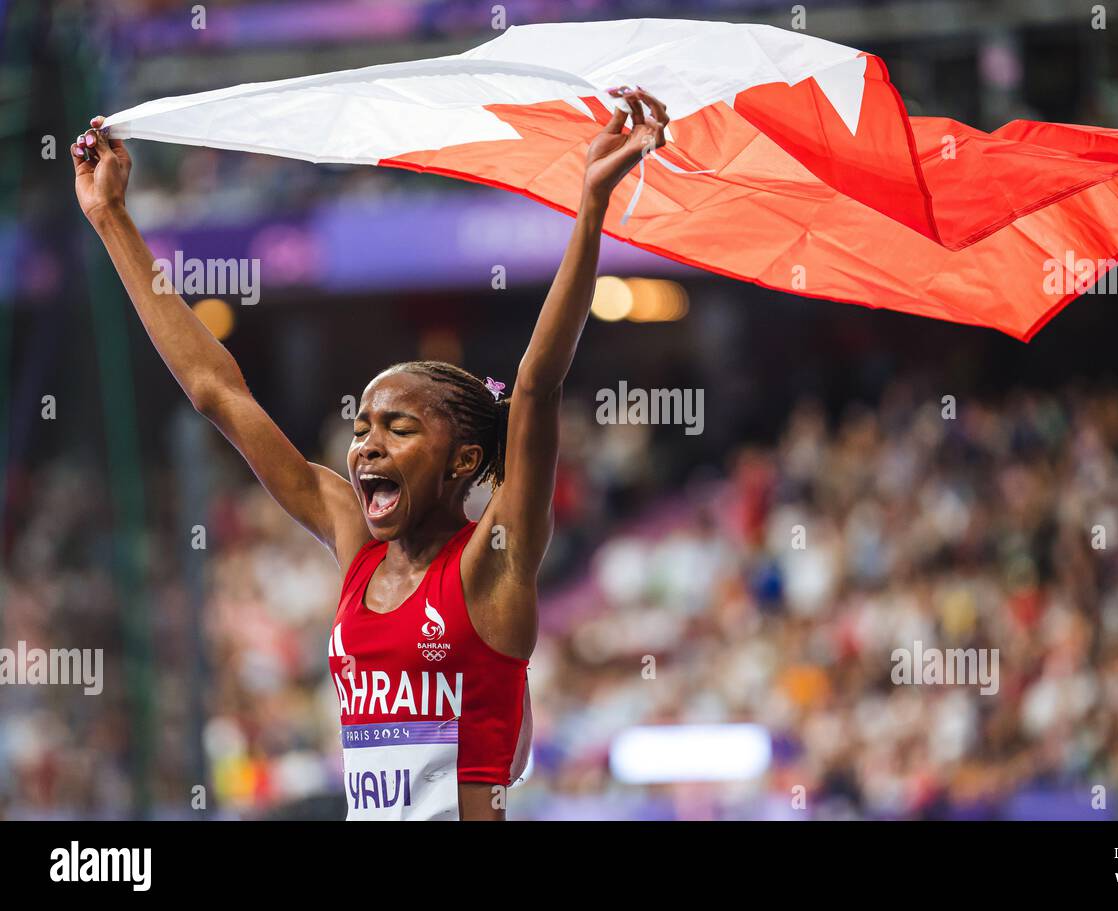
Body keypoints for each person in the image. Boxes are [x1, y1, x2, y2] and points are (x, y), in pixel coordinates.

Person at [72, 86, 670, 820]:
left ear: (461, 460)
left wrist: (590, 210)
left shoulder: (495, 559)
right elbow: (217, 391)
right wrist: (111, 219)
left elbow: (539, 387)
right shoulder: (354, 543)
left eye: (398, 427)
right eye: (360, 427)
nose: (365, 445)